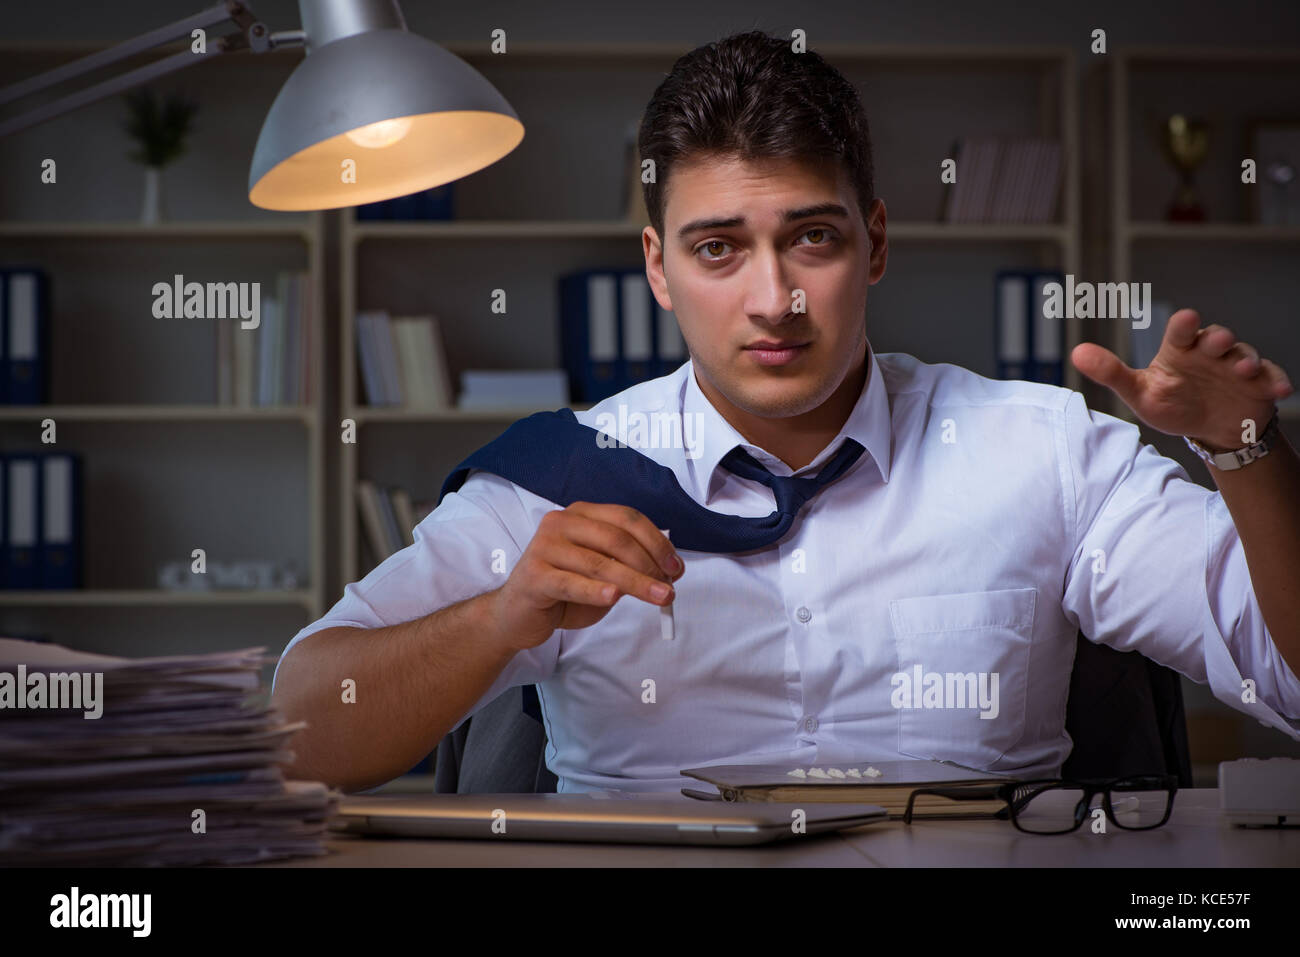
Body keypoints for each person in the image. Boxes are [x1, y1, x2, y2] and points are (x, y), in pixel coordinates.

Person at [270, 31, 1300, 794]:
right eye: (717, 248)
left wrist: (1244, 453)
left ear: (876, 242)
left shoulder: (1045, 455)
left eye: (812, 238)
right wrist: (495, 622)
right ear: (658, 269)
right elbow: (295, 737)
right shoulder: (556, 481)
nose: (774, 299)